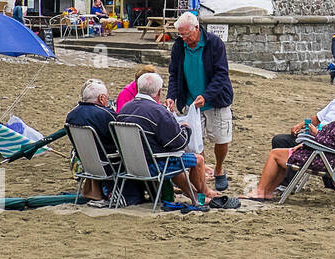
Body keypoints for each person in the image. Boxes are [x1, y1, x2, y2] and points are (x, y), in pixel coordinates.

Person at [244, 89, 335, 200]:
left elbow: (329, 143)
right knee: (280, 152)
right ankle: (268, 192)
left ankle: (260, 191)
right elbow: (332, 141)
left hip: (322, 159)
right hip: (326, 156)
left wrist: (306, 142)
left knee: (275, 154)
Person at [119, 72, 220, 202]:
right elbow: (178, 143)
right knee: (198, 160)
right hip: (153, 165)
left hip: (129, 165)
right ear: (159, 92)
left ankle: (194, 196)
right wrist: (186, 128)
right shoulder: (158, 112)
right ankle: (202, 197)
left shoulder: (125, 108)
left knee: (174, 163)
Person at [166, 12, 235, 192]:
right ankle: (202, 175)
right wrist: (171, 96)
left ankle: (219, 168)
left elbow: (221, 74)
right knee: (195, 141)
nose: (184, 38)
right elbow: (174, 74)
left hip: (216, 100)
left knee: (221, 138)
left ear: (196, 28)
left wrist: (207, 95)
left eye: (187, 34)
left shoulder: (214, 43)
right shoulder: (179, 46)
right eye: (181, 35)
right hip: (191, 102)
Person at [65, 79, 118, 203]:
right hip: (107, 164)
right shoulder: (105, 114)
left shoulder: (71, 115)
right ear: (101, 98)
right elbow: (119, 139)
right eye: (106, 98)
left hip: (85, 163)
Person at [274, 79, 335, 150]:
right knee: (280, 140)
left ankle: (289, 169)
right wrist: (301, 125)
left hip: (321, 144)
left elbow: (333, 140)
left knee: (279, 143)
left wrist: (317, 133)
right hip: (314, 136)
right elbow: (317, 118)